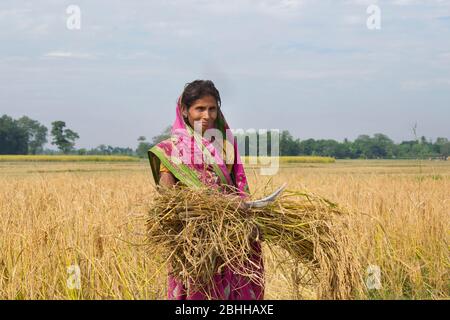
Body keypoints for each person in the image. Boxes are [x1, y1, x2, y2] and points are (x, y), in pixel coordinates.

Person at [147, 80, 264, 300]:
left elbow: (238, 188)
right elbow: (169, 198)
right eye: (199, 108)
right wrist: (206, 208)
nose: (207, 115)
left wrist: (245, 215)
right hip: (193, 239)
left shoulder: (226, 147)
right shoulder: (171, 150)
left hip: (229, 236)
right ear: (185, 111)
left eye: (212, 108)